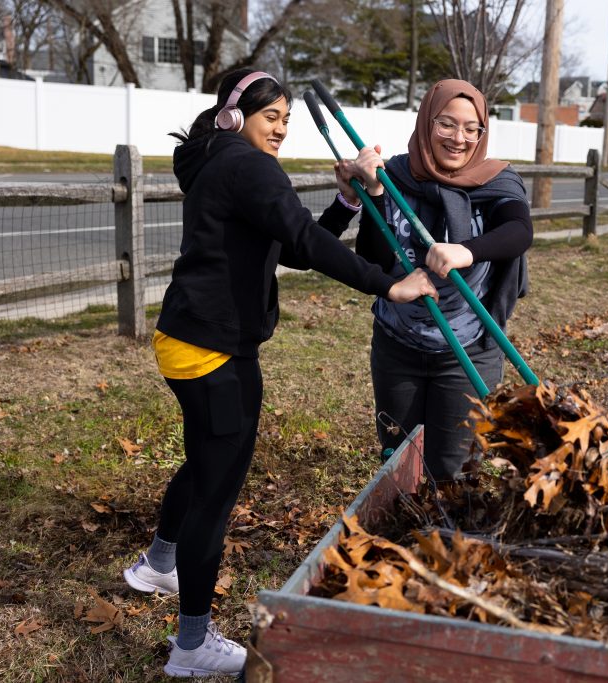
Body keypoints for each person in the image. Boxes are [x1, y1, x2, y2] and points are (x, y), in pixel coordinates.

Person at [122, 68, 436, 678]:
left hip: (188, 339)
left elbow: (290, 246)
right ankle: (190, 647)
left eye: (289, 119)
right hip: (214, 350)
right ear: (237, 116)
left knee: (203, 458)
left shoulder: (219, 160)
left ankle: (158, 563)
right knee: (217, 490)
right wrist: (387, 284)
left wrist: (346, 199)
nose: (283, 129)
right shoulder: (249, 165)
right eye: (274, 117)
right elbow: (308, 246)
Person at [340, 79, 533, 482]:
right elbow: (374, 259)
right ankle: (401, 541)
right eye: (446, 123)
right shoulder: (392, 175)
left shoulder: (496, 181)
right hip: (397, 345)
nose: (458, 138)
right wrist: (374, 192)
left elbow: (519, 230)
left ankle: (447, 543)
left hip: (468, 350)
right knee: (399, 463)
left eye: (471, 128)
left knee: (454, 471)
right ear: (426, 122)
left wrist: (467, 250)